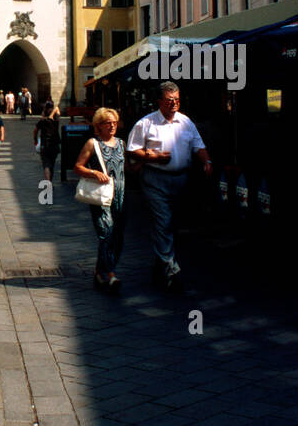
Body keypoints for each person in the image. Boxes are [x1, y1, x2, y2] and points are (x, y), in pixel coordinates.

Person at [127, 81, 213, 293]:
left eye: (177, 100)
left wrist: (206, 161)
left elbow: (198, 145)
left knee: (173, 224)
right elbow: (132, 150)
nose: (174, 103)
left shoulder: (186, 122)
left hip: (181, 179)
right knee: (163, 222)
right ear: (159, 102)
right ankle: (172, 272)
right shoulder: (145, 123)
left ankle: (160, 264)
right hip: (155, 179)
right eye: (169, 100)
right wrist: (154, 156)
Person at [74, 108, 125, 293]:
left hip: (120, 196)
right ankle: (111, 274)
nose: (112, 126)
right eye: (107, 123)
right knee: (106, 233)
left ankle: (98, 271)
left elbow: (127, 169)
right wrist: (94, 172)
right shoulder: (92, 143)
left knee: (117, 238)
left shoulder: (120, 143)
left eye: (114, 122)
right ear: (98, 126)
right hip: (101, 197)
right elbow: (78, 167)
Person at [34, 101, 60, 181]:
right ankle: (50, 180)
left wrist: (35, 140)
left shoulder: (42, 121)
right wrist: (54, 109)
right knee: (52, 164)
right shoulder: (56, 121)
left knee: (46, 164)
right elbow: (57, 110)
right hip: (54, 145)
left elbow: (35, 131)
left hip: (45, 145)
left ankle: (48, 181)